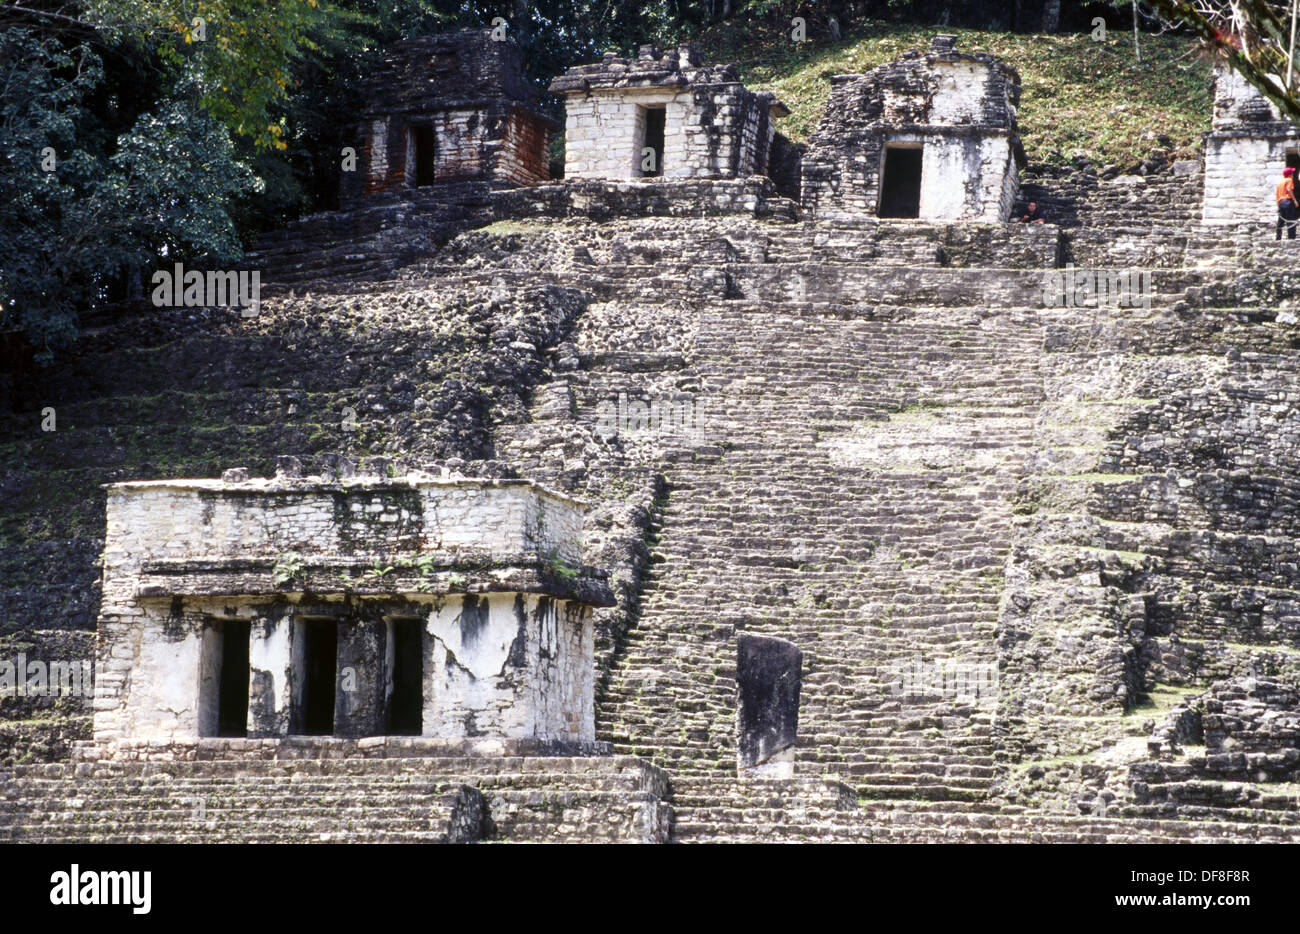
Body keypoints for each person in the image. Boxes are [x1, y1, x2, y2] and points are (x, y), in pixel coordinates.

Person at [1277, 167, 1298, 240]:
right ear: (1290, 174)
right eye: (1292, 173)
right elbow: (1289, 189)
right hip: (1287, 201)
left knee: (1281, 220)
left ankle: (1278, 237)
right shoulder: (1289, 180)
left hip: (1280, 202)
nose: (1293, 175)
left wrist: (1278, 205)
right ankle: (1291, 238)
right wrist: (1295, 200)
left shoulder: (1279, 183)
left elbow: (1277, 195)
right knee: (1291, 219)